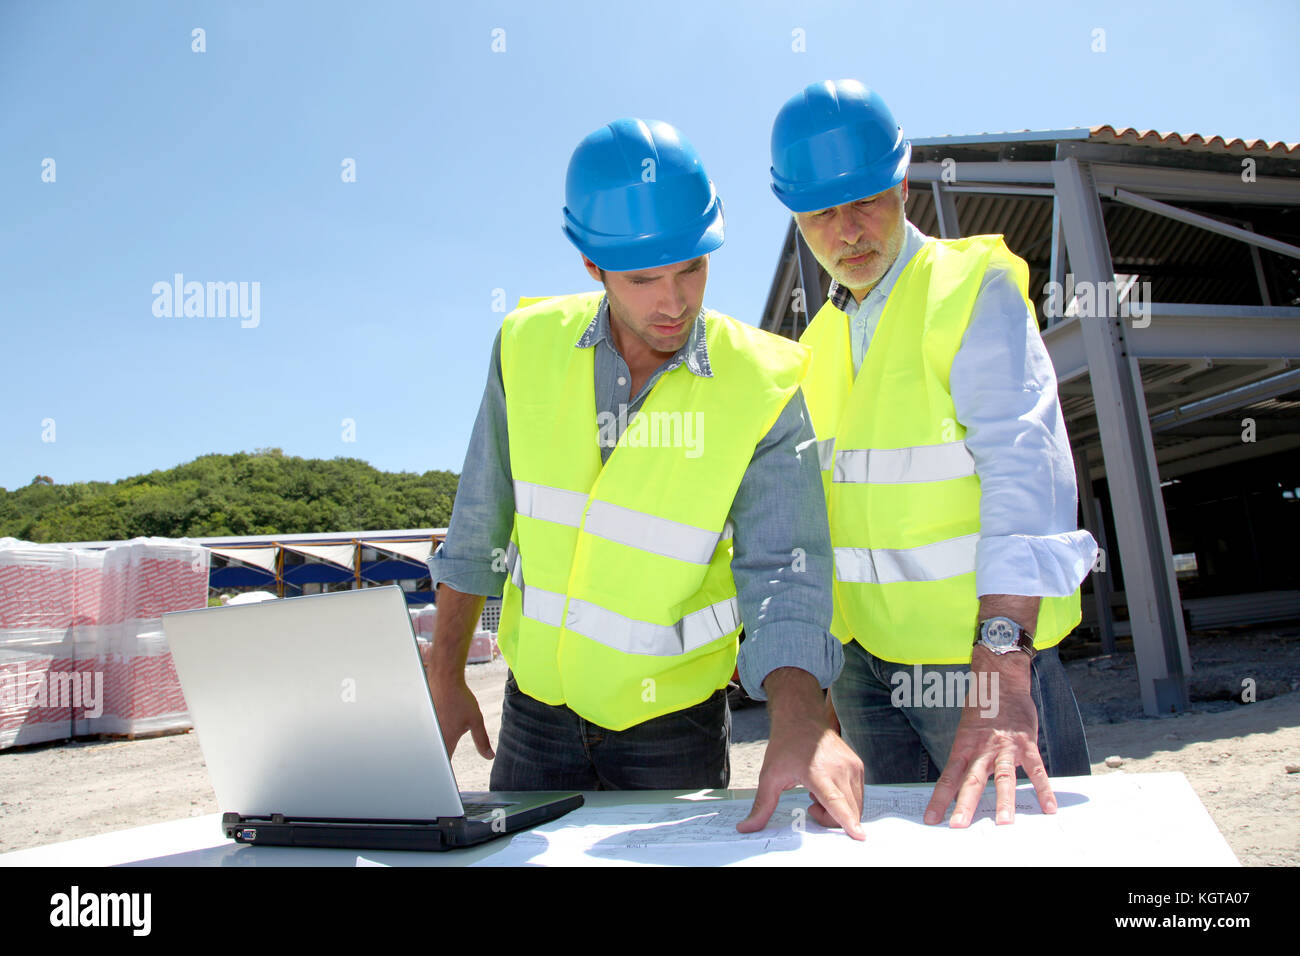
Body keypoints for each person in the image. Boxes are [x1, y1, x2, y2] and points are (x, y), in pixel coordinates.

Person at [428, 117, 864, 837]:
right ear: (592, 265)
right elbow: (479, 526)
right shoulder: (525, 347)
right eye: (643, 278)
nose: (674, 302)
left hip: (673, 731)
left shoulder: (763, 385)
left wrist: (801, 720)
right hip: (534, 718)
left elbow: (784, 575)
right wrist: (444, 674)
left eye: (692, 267)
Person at [768, 80, 1098, 828]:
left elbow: (1026, 471)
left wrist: (1005, 659)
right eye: (821, 213)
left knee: (1012, 844)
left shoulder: (967, 290)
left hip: (974, 665)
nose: (848, 232)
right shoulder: (813, 345)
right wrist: (826, 695)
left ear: (903, 183)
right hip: (864, 675)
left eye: (865, 202)